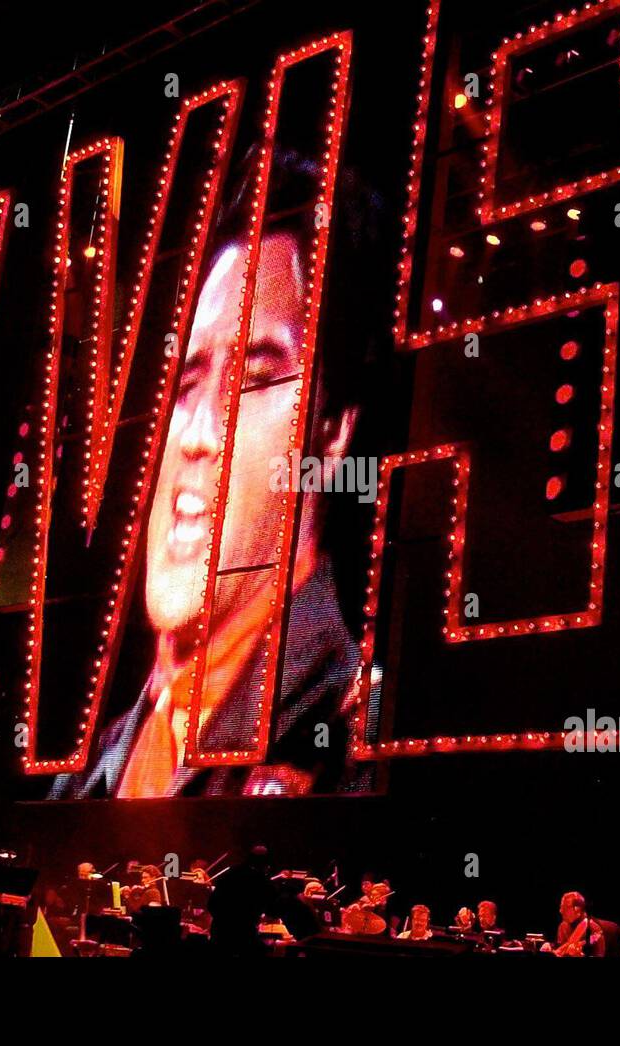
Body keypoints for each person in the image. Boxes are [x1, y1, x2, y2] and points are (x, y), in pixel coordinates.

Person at [48, 151, 386, 799]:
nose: (198, 435)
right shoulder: (95, 764)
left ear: (332, 431)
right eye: (187, 386)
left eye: (255, 380)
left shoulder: (349, 739)